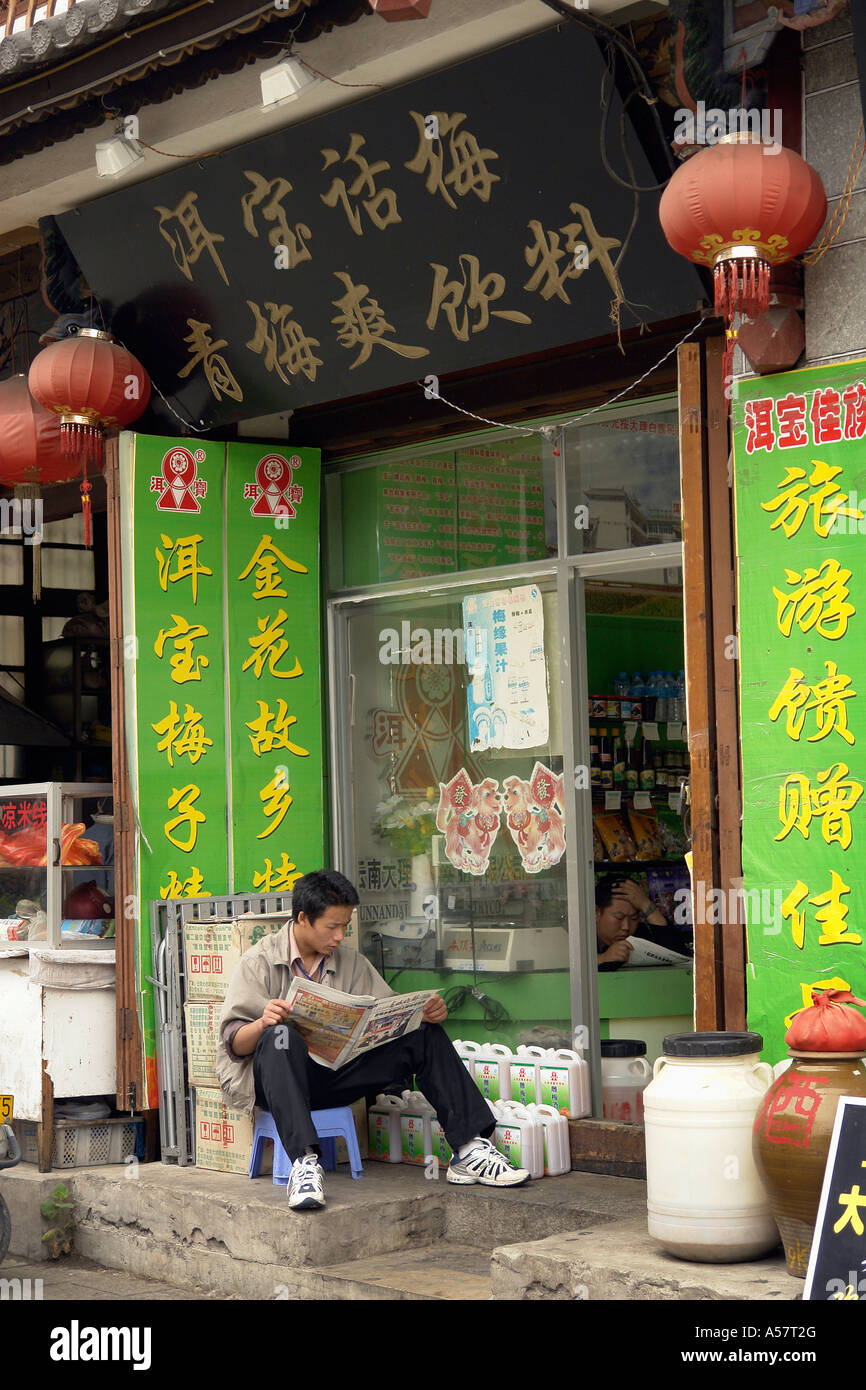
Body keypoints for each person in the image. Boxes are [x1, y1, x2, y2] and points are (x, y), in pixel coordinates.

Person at [216, 868, 530, 1211]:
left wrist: (420, 1013)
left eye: (345, 927)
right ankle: (304, 1165)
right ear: (304, 919)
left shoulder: (351, 962)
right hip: (281, 1086)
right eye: (332, 927)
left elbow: (386, 1011)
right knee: (280, 1037)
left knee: (423, 1034)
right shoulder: (258, 962)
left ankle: (470, 1147)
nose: (339, 936)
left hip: (337, 1075)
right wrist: (263, 1022)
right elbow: (234, 1043)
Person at [595, 874, 691, 970]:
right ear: (597, 913)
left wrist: (646, 905)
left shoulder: (639, 935)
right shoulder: (581, 936)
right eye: (619, 917)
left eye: (633, 918)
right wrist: (603, 958)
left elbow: (680, 958)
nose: (626, 927)